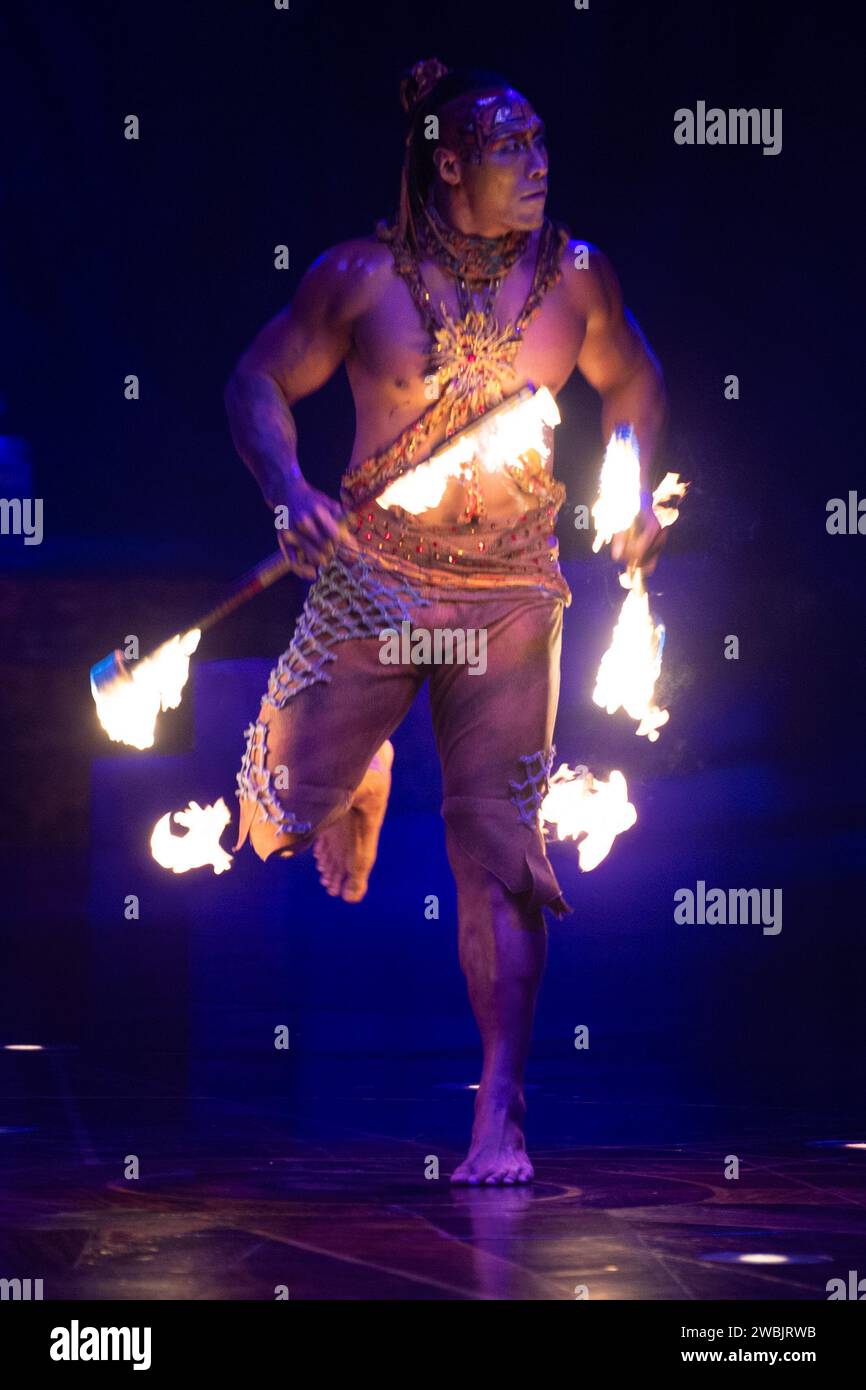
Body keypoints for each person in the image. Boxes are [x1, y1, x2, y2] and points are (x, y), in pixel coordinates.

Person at [224, 59, 666, 1185]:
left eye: (541, 141)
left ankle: (498, 1113)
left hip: (513, 595)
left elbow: (636, 388)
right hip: (375, 581)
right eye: (508, 146)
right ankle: (355, 769)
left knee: (496, 849)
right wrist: (288, 491)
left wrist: (628, 491)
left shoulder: (574, 278)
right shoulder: (360, 278)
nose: (537, 161)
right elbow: (255, 383)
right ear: (449, 161)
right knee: (276, 804)